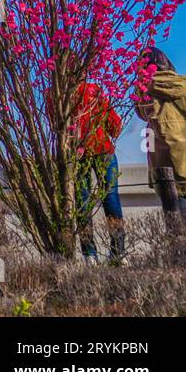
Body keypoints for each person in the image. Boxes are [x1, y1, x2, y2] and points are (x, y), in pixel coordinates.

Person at [134, 47, 186, 212]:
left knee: (176, 196)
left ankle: (183, 237)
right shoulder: (185, 83)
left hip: (162, 149)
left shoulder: (143, 88)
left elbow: (142, 114)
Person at [74, 82, 124, 261]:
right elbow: (115, 126)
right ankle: (118, 252)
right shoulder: (94, 90)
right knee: (111, 198)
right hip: (103, 149)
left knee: (82, 202)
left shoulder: (56, 94)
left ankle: (89, 255)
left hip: (77, 154)